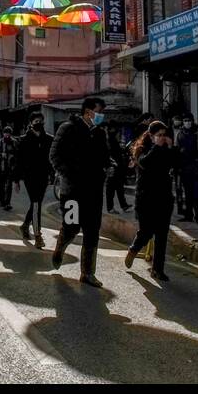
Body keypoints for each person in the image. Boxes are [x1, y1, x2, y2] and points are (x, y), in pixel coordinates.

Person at [50, 97, 112, 287]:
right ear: (88, 112)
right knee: (71, 227)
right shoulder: (68, 128)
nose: (101, 116)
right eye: (99, 111)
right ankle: (60, 247)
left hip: (93, 191)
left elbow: (105, 157)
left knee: (92, 232)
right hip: (72, 191)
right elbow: (54, 155)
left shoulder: (100, 133)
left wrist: (109, 166)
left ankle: (87, 273)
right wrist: (67, 174)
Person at [125, 121, 180, 282]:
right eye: (159, 135)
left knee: (162, 235)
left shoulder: (165, 150)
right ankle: (134, 249)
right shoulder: (142, 150)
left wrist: (171, 148)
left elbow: (176, 164)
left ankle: (157, 270)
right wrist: (157, 146)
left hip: (164, 197)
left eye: (164, 135)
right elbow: (146, 163)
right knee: (146, 231)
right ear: (151, 136)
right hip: (146, 198)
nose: (163, 138)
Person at [15, 115, 53, 245]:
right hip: (29, 177)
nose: (39, 123)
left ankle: (25, 225)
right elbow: (18, 160)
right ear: (31, 123)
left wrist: (52, 175)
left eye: (41, 121)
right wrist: (16, 180)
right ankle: (38, 235)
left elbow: (51, 160)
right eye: (36, 121)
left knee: (36, 204)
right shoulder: (24, 140)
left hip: (43, 176)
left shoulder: (49, 139)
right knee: (36, 203)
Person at [175, 113, 198, 223]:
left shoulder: (197, 132)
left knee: (197, 193)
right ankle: (189, 214)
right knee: (188, 193)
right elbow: (177, 150)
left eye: (189, 120)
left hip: (196, 166)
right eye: (186, 120)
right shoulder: (180, 133)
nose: (188, 123)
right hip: (185, 166)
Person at [104, 124, 131, 213]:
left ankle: (124, 205)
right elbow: (112, 155)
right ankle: (111, 208)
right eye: (118, 134)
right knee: (111, 189)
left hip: (117, 168)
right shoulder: (110, 141)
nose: (119, 136)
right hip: (113, 168)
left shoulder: (112, 141)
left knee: (119, 188)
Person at [0, 125, 16, 210]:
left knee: (9, 186)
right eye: (6, 133)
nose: (7, 135)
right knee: (1, 186)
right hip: (1, 167)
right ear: (3, 134)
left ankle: (8, 203)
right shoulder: (0, 142)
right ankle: (1, 201)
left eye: (8, 133)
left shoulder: (14, 142)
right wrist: (1, 154)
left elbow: (17, 153)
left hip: (10, 168)